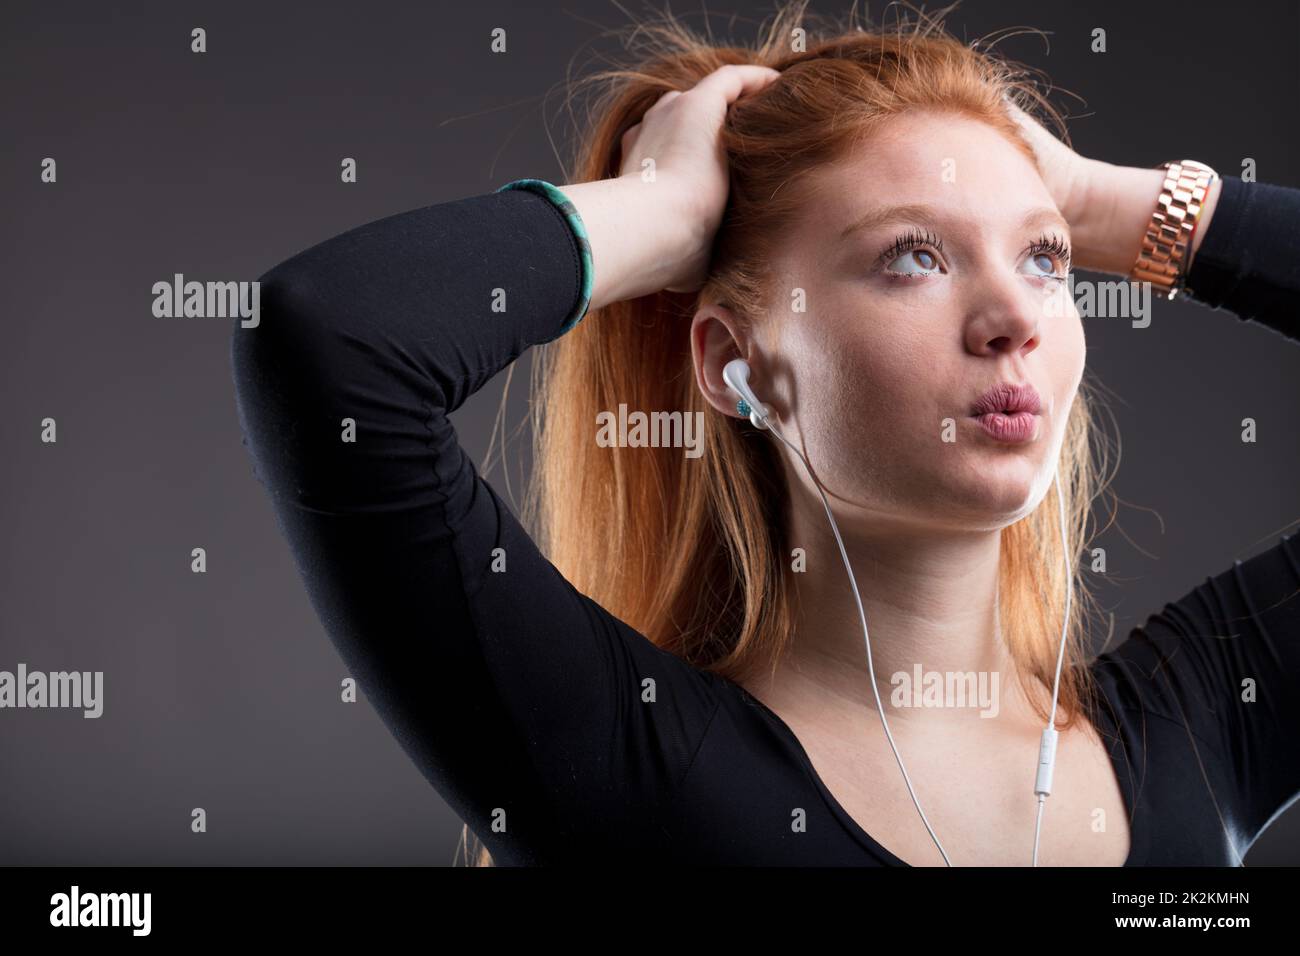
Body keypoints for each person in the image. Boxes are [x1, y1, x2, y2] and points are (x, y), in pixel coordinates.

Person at [231, 4, 1300, 866]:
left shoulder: (1199, 724)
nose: (1014, 316)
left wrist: (1100, 201)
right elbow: (333, 338)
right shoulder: (625, 759)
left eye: (1044, 260)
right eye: (913, 258)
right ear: (731, 363)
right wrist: (657, 208)